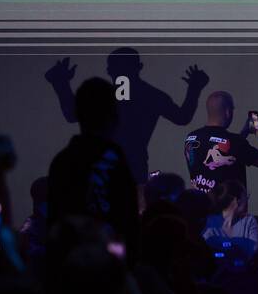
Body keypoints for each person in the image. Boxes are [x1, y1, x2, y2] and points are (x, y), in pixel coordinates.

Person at [46, 47, 209, 185]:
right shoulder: (151, 95)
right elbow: (182, 117)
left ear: (110, 71)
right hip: (133, 167)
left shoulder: (104, 96)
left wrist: (61, 83)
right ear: (139, 67)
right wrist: (194, 88)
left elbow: (72, 114)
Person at [46, 78, 139, 253]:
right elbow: (128, 220)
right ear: (113, 115)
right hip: (109, 269)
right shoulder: (115, 160)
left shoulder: (62, 162)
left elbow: (55, 223)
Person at [183, 91, 258, 196]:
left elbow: (229, 148)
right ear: (228, 112)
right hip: (228, 209)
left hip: (201, 207)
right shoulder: (236, 142)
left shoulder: (191, 138)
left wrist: (244, 133)